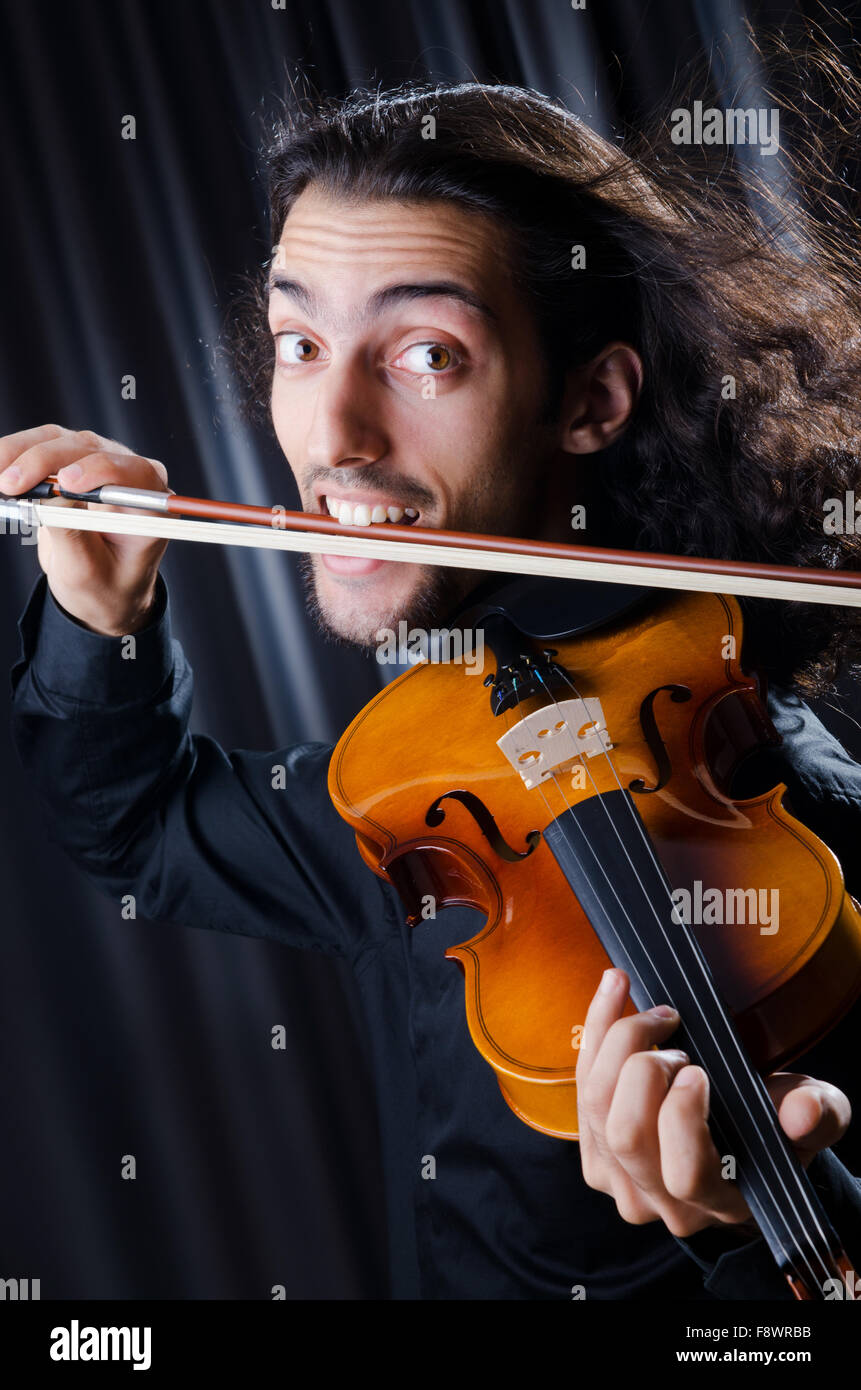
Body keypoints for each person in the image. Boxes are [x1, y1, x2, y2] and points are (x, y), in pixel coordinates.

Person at [5, 77, 861, 1300]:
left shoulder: (815, 839)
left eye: (424, 354)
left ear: (591, 401)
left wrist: (756, 1225)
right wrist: (103, 617)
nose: (334, 435)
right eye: (302, 343)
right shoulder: (427, 775)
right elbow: (139, 824)